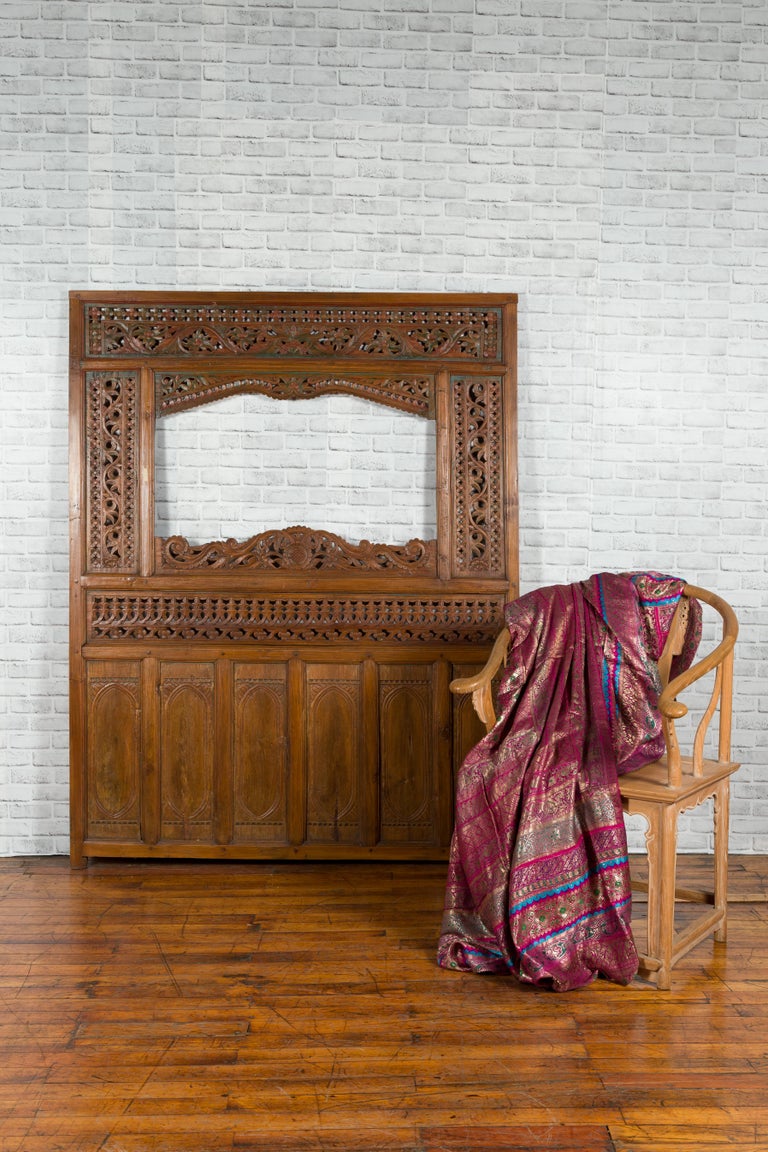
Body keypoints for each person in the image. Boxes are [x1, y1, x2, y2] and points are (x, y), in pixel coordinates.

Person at [437, 572, 701, 991]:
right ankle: (503, 921)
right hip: (560, 733)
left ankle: (557, 927)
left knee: (560, 776)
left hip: (613, 739)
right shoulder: (554, 609)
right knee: (482, 771)